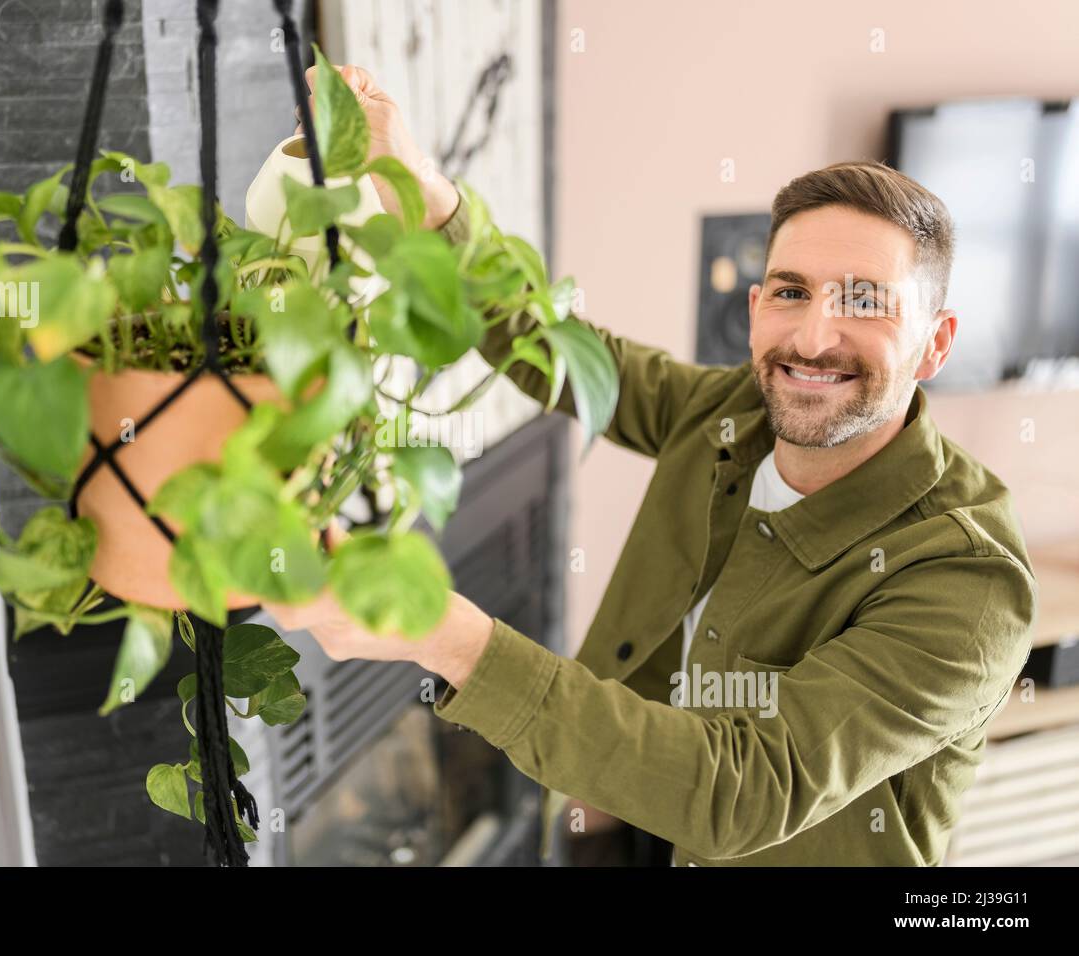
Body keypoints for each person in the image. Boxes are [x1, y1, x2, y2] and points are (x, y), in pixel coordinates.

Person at [264, 65, 1037, 867]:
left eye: (866, 302)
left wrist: (448, 638)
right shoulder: (731, 410)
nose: (813, 338)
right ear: (754, 308)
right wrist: (421, 190)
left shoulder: (970, 581)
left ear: (935, 343)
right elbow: (558, 355)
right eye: (791, 292)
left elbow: (742, 793)